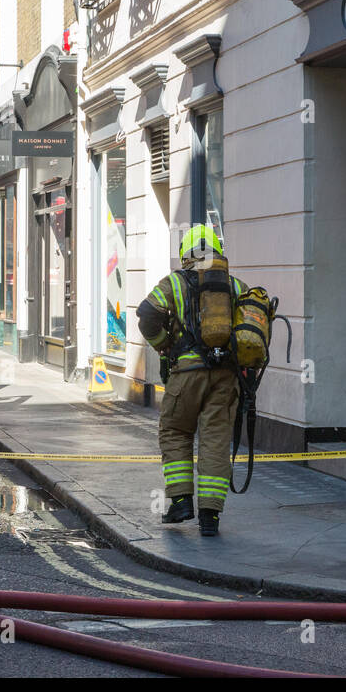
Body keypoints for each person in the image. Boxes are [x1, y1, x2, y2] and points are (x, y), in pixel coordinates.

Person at [137, 224, 246, 537]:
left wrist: (164, 345)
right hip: (225, 377)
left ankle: (182, 501)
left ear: (185, 252)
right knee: (215, 440)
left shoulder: (174, 283)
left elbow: (147, 314)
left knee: (175, 430)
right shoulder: (235, 286)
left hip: (186, 374)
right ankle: (210, 517)